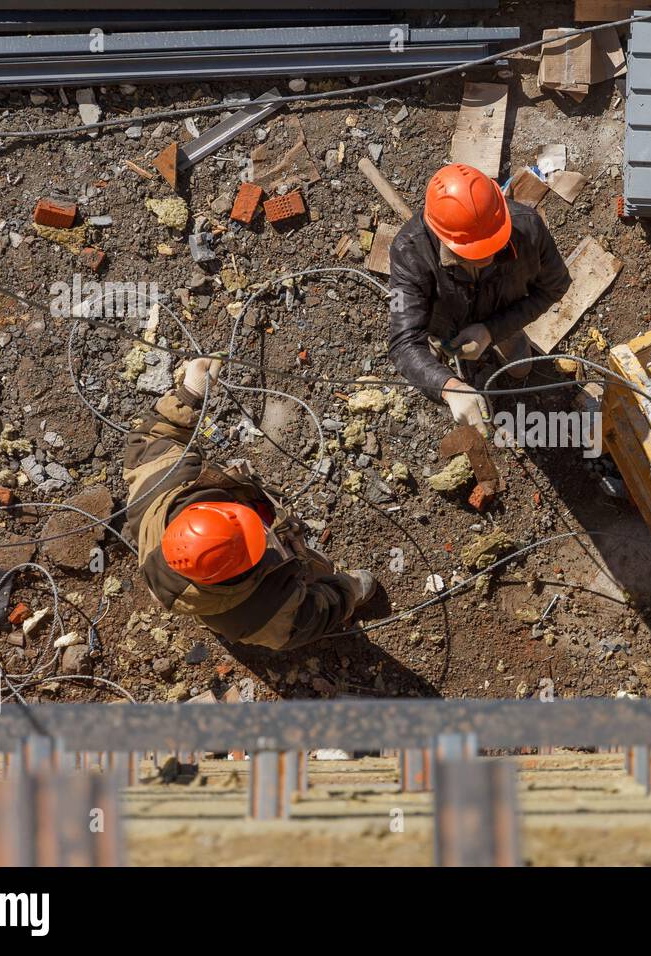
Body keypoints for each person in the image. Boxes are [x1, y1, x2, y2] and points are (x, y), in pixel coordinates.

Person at [123, 356, 376, 651]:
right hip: (235, 606)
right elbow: (312, 617)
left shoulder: (158, 490)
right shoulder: (260, 615)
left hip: (201, 595)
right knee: (315, 576)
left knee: (209, 605)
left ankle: (196, 606)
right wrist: (348, 590)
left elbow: (151, 434)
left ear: (202, 512)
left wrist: (191, 392)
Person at [388, 162, 572, 436]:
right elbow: (403, 343)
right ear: (443, 237)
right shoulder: (408, 252)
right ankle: (438, 344)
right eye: (475, 252)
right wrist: (450, 388)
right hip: (443, 322)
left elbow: (554, 288)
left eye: (494, 245)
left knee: (521, 370)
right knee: (426, 359)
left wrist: (492, 330)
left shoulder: (529, 229)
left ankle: (504, 337)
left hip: (503, 314)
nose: (487, 258)